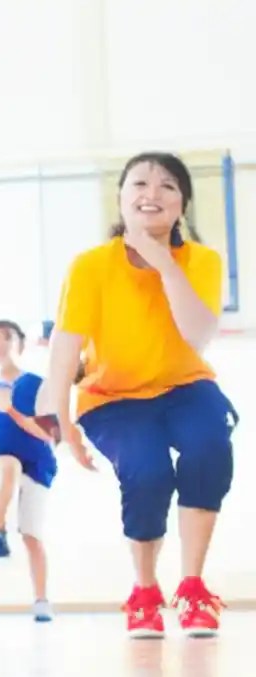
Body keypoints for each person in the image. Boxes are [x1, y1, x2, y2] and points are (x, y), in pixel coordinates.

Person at [47, 152, 234, 639]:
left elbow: (197, 335)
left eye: (168, 186)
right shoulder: (91, 266)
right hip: (114, 397)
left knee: (209, 447)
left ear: (183, 204)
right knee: (148, 472)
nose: (153, 193)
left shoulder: (203, 260)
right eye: (140, 184)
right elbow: (65, 348)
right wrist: (62, 422)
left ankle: (193, 589)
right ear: (122, 198)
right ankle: (145, 593)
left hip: (186, 385)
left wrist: (164, 265)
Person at [0, 319, 56, 622]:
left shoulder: (36, 384)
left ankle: (41, 599)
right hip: (2, 468)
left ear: (19, 342)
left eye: (6, 338)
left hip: (37, 468)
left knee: (32, 535)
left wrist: (11, 410)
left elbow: (49, 433)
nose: (0, 345)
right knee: (7, 463)